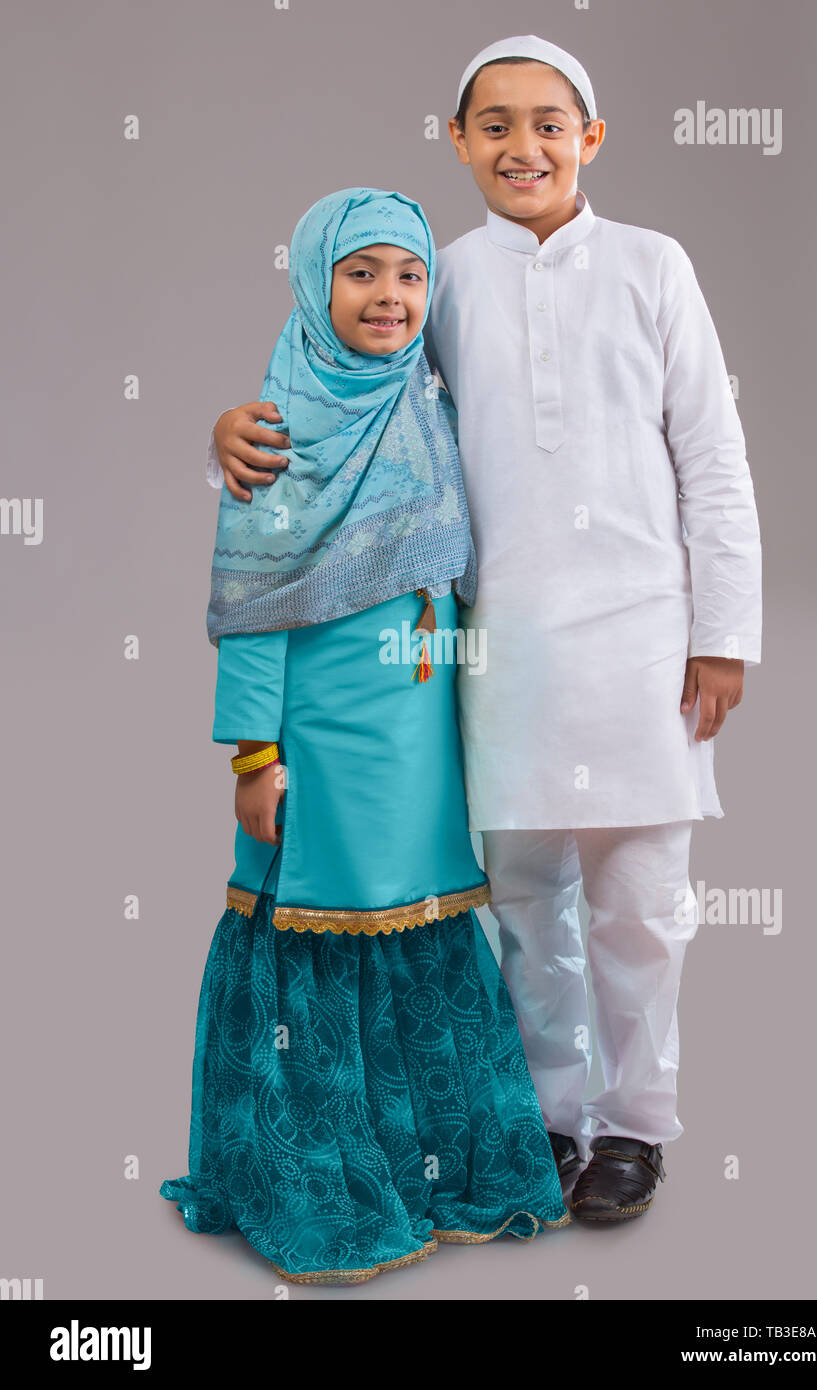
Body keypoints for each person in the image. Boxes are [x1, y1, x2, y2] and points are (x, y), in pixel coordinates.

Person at [206, 36, 763, 1225]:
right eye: (495, 125)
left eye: (549, 122)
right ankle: (544, 1119)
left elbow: (713, 456)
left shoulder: (652, 266)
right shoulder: (442, 274)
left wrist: (721, 630)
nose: (524, 146)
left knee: (642, 904)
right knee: (522, 904)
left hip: (642, 637)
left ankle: (635, 1127)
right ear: (455, 144)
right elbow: (345, 383)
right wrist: (232, 430)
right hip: (493, 648)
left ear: (590, 138)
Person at [160, 186, 571, 1286]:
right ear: (311, 285)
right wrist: (254, 755)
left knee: (422, 909)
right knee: (323, 915)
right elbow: (251, 609)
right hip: (325, 737)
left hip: (426, 729)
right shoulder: (276, 430)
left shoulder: (421, 402)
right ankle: (321, 1176)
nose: (387, 297)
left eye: (407, 275)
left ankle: (430, 1171)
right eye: (359, 273)